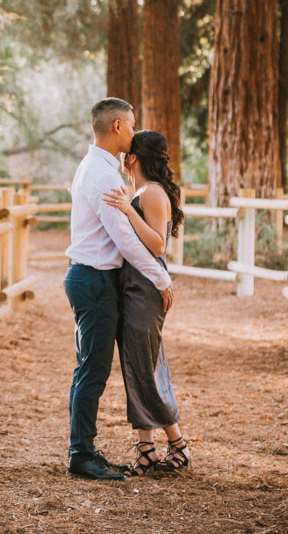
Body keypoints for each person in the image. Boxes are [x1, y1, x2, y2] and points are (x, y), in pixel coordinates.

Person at [64, 98, 174, 482]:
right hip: (93, 279)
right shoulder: (103, 175)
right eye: (130, 125)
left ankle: (87, 450)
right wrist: (161, 278)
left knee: (92, 369)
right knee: (91, 371)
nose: (133, 132)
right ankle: (81, 456)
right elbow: (127, 242)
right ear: (116, 128)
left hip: (94, 278)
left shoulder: (96, 167)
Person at [102, 130, 190, 476]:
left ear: (133, 159)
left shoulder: (151, 193)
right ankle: (147, 449)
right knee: (140, 366)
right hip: (133, 287)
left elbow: (157, 246)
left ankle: (178, 446)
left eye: (126, 153)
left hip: (145, 290)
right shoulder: (142, 191)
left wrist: (127, 210)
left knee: (144, 369)